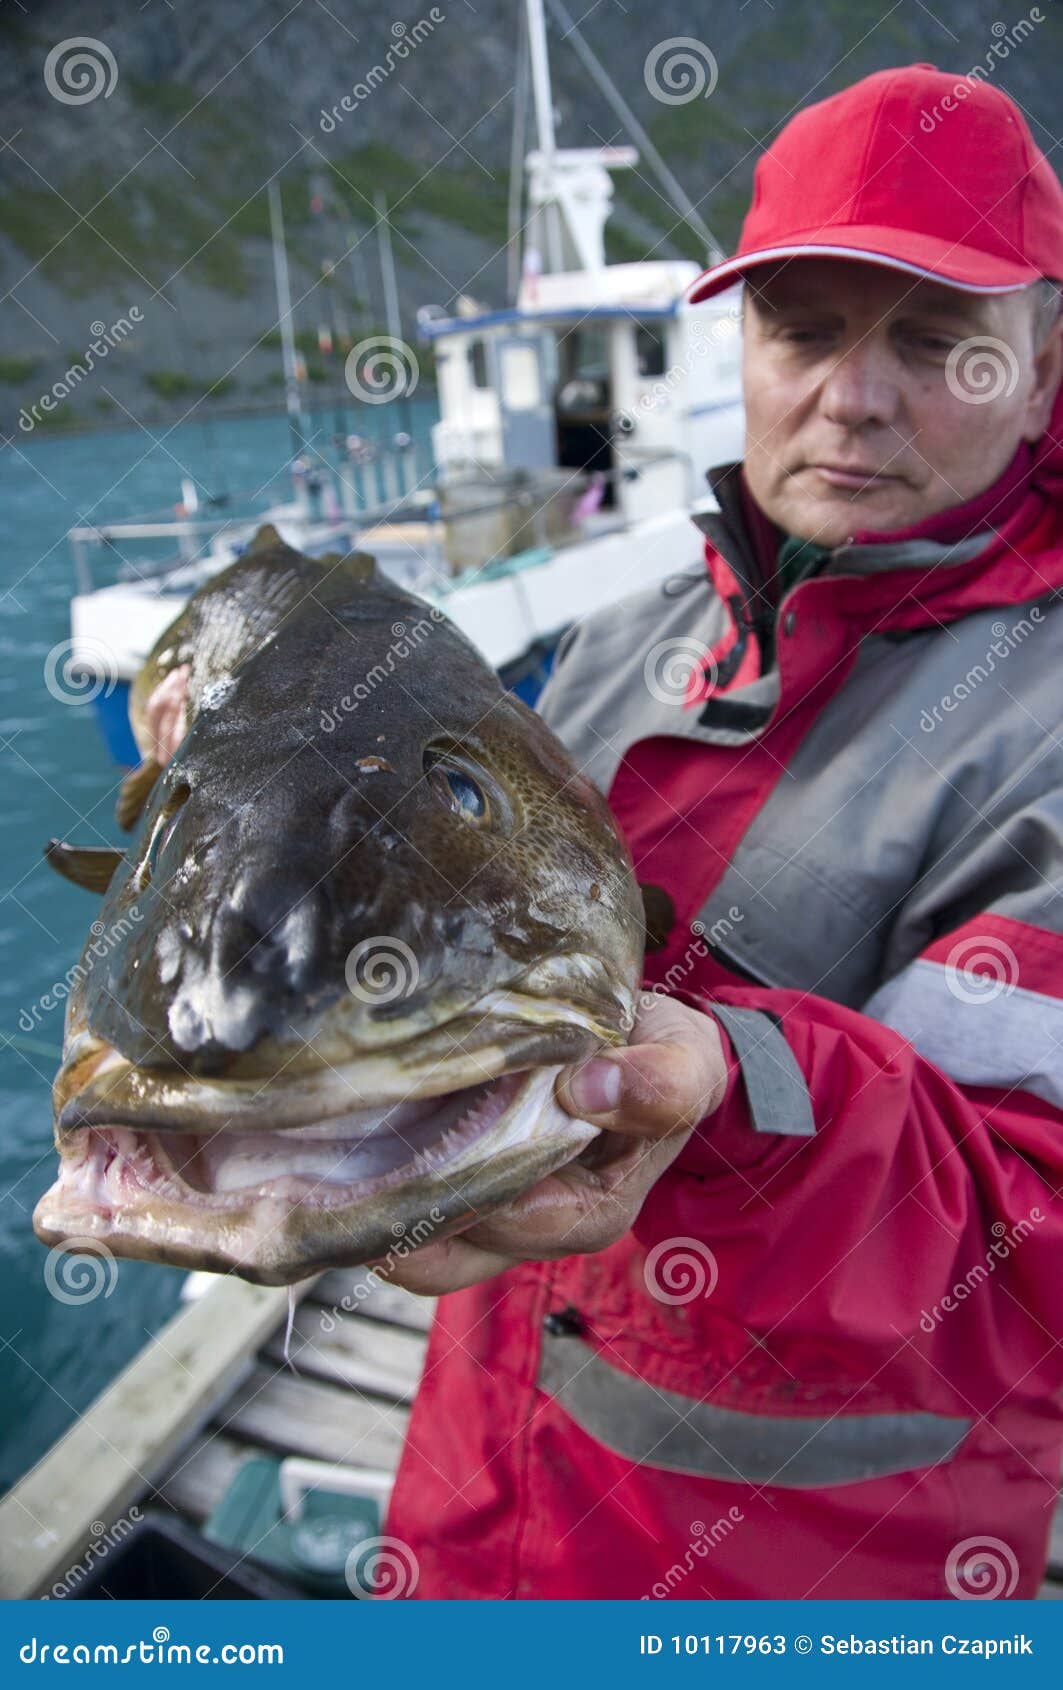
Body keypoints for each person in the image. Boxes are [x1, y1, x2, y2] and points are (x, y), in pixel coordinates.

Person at [381, 64, 1063, 1600]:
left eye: (940, 343)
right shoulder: (626, 632)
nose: (854, 396)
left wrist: (727, 1091)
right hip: (474, 1497)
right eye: (803, 329)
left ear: (1044, 364)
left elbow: (1037, 1251)